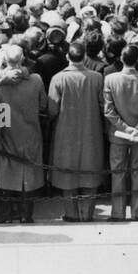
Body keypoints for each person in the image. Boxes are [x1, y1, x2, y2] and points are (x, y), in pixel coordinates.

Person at [0, 43, 46, 224]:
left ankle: (6, 213)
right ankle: (26, 214)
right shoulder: (36, 80)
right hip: (30, 131)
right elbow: (43, 105)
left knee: (6, 169)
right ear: (22, 59)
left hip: (7, 129)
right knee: (29, 171)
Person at [47, 41, 105, 222]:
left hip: (66, 132)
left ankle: (71, 214)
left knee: (67, 173)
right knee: (91, 170)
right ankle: (87, 214)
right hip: (91, 130)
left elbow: (52, 110)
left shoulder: (58, 78)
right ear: (85, 56)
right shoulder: (96, 78)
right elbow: (103, 105)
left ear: (67, 57)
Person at [103, 44, 138, 221]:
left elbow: (109, 111)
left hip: (118, 133)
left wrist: (125, 128)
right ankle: (137, 212)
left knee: (117, 173)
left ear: (121, 58)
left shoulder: (110, 79)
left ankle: (117, 212)